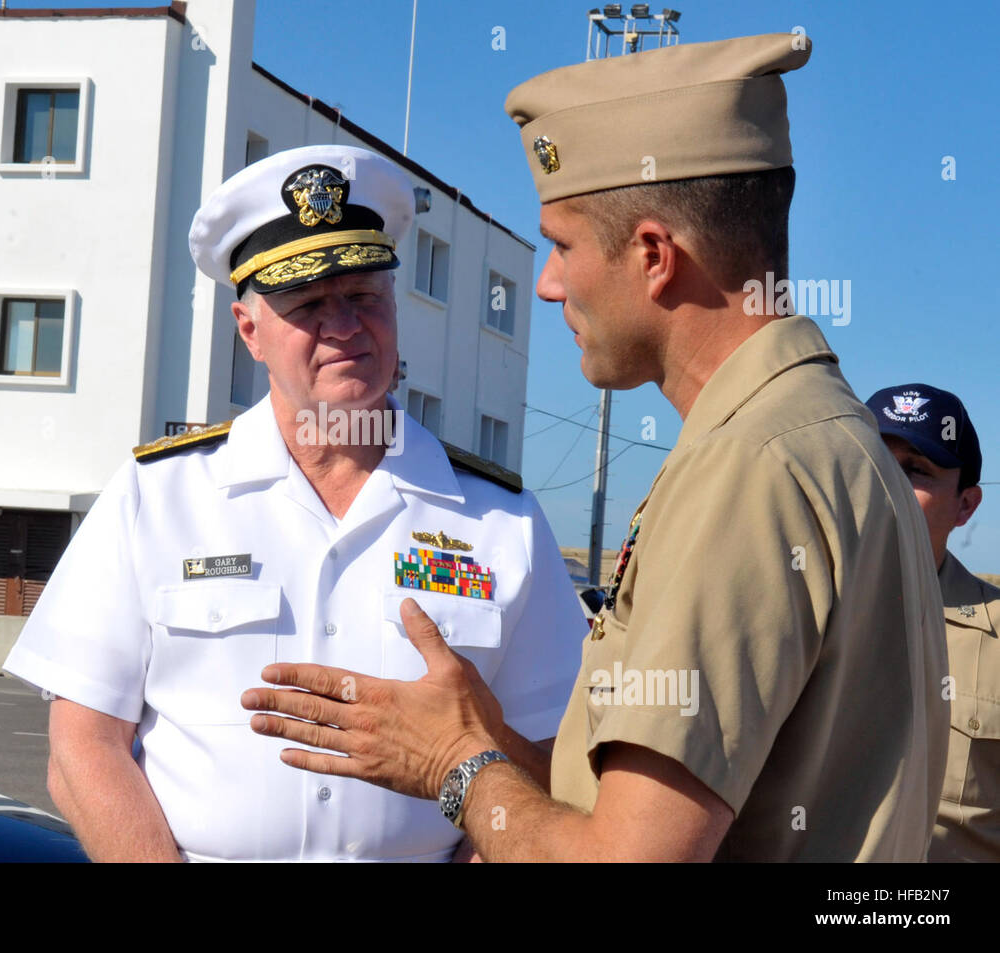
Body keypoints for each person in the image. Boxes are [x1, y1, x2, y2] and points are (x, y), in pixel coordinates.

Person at [244, 34, 950, 861]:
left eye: (563, 245)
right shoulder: (827, 435)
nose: (547, 283)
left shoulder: (749, 468)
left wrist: (454, 762)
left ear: (653, 257)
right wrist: (490, 736)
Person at [1, 144, 583, 862]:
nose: (343, 325)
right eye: (308, 304)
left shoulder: (499, 520)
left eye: (365, 296)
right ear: (251, 332)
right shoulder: (158, 496)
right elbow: (83, 744)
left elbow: (555, 761)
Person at [865, 383, 997, 862]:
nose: (886, 485)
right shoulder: (786, 613)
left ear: (966, 505)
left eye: (915, 471)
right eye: (873, 464)